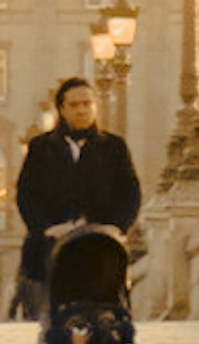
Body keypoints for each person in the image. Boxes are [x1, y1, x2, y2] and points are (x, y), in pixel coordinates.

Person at [14, 79, 141, 320]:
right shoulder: (41, 148)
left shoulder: (113, 146)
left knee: (102, 305)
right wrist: (46, 229)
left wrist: (115, 228)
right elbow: (26, 195)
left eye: (87, 103)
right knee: (51, 311)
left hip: (100, 242)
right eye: (74, 105)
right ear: (62, 109)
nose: (82, 110)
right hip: (52, 241)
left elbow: (130, 194)